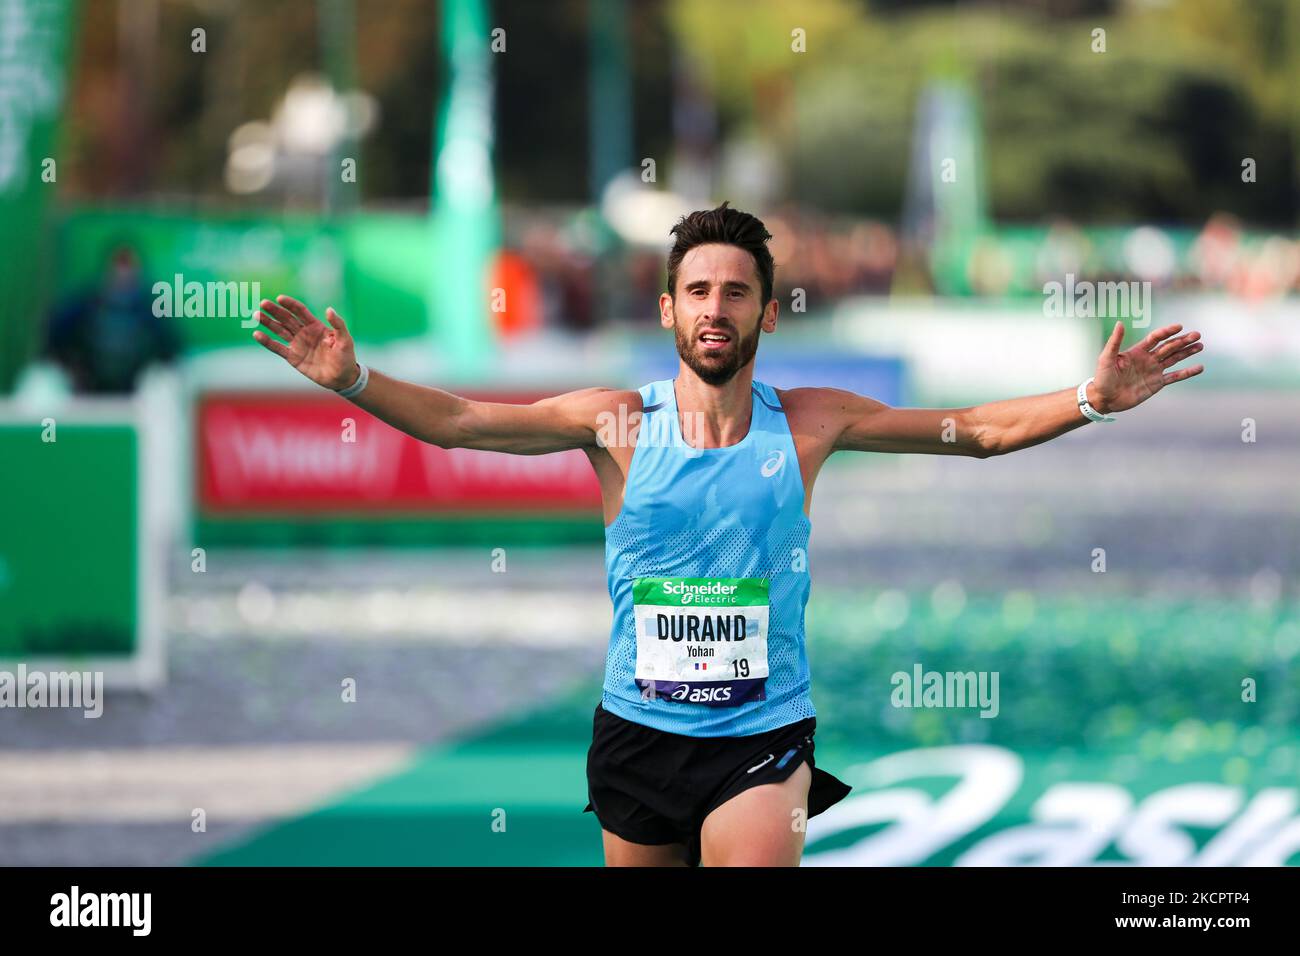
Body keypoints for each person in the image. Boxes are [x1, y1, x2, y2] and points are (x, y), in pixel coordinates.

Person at [251, 202, 1206, 866]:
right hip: (635, 734)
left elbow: (981, 432)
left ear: (767, 313)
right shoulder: (614, 422)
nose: (716, 308)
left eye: (736, 292)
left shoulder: (812, 422)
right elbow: (463, 421)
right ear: (668, 310)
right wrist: (355, 382)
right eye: (698, 291)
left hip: (760, 738)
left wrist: (1093, 400)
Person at [45, 244, 182, 393]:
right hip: (88, 386)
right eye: (119, 266)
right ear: (108, 270)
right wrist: (72, 369)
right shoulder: (84, 304)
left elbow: (171, 349)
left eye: (128, 267)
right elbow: (54, 339)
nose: (123, 273)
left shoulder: (151, 308)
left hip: (137, 389)